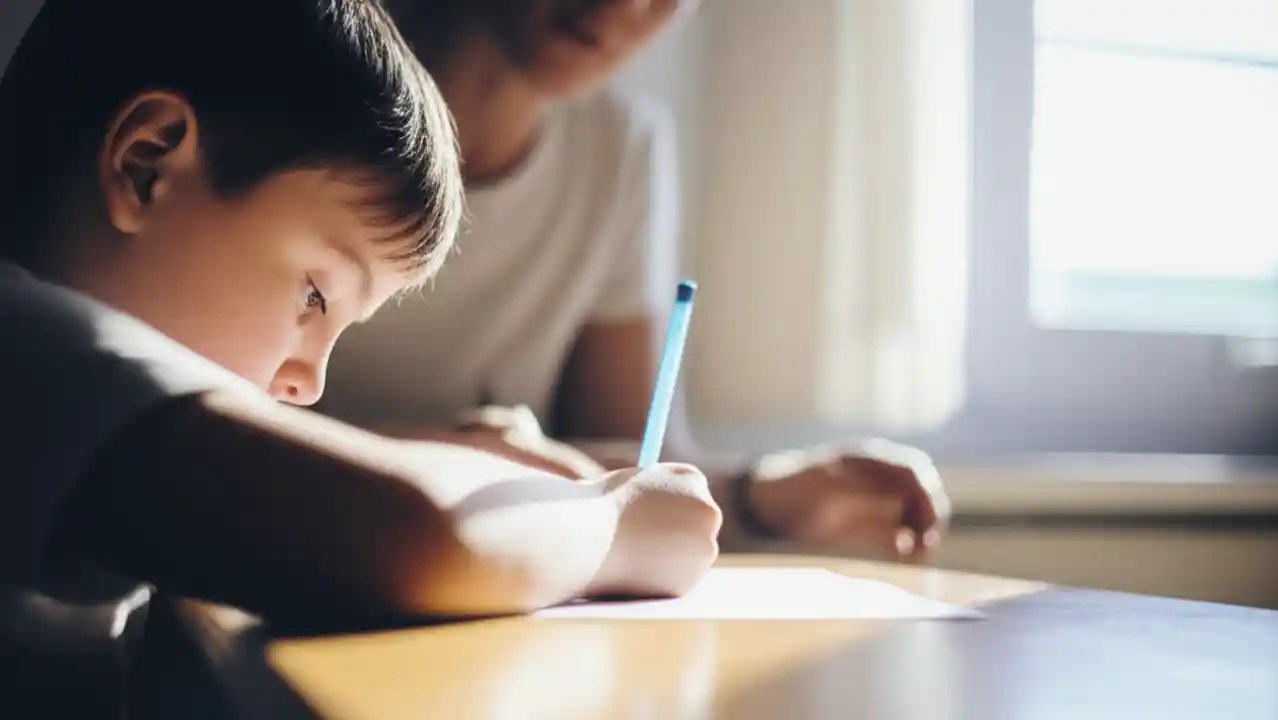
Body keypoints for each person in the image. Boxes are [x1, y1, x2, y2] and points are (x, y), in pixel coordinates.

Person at [0, 0, 722, 638]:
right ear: (147, 165)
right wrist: (614, 525)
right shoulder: (28, 349)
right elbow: (422, 540)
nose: (307, 383)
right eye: (314, 296)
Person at [322, 0, 950, 560]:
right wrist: (461, 461)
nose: (623, 5)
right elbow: (222, 422)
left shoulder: (617, 150)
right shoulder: (297, 70)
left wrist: (768, 495)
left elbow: (633, 461)